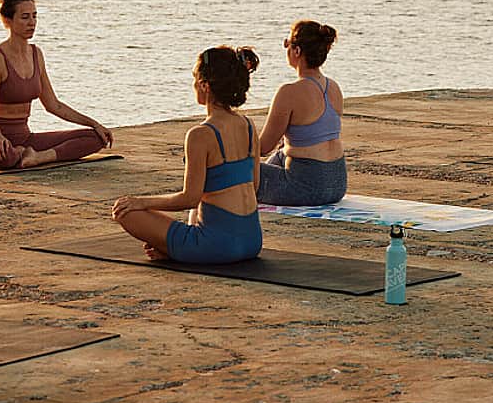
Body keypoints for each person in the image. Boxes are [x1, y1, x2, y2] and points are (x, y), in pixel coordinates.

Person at [112, 46, 262, 263]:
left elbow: (189, 198)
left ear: (204, 85)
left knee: (124, 211)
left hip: (216, 246)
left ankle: (175, 250)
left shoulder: (200, 134)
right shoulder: (248, 125)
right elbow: (254, 186)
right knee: (201, 207)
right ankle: (174, 248)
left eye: (194, 78)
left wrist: (141, 202)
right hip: (251, 241)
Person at [0, 0, 112, 169]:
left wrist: (95, 124)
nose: (32, 23)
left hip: (26, 138)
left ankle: (40, 157)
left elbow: (54, 105)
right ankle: (19, 155)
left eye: (34, 16)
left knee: (95, 138)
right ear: (7, 20)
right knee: (4, 155)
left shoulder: (36, 54)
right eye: (24, 17)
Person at [256, 20, 347, 206]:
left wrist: (224, 149)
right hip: (337, 183)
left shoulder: (289, 92)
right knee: (282, 153)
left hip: (307, 188)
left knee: (229, 171)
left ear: (297, 51)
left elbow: (262, 147)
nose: (286, 48)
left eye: (287, 43)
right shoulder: (334, 87)